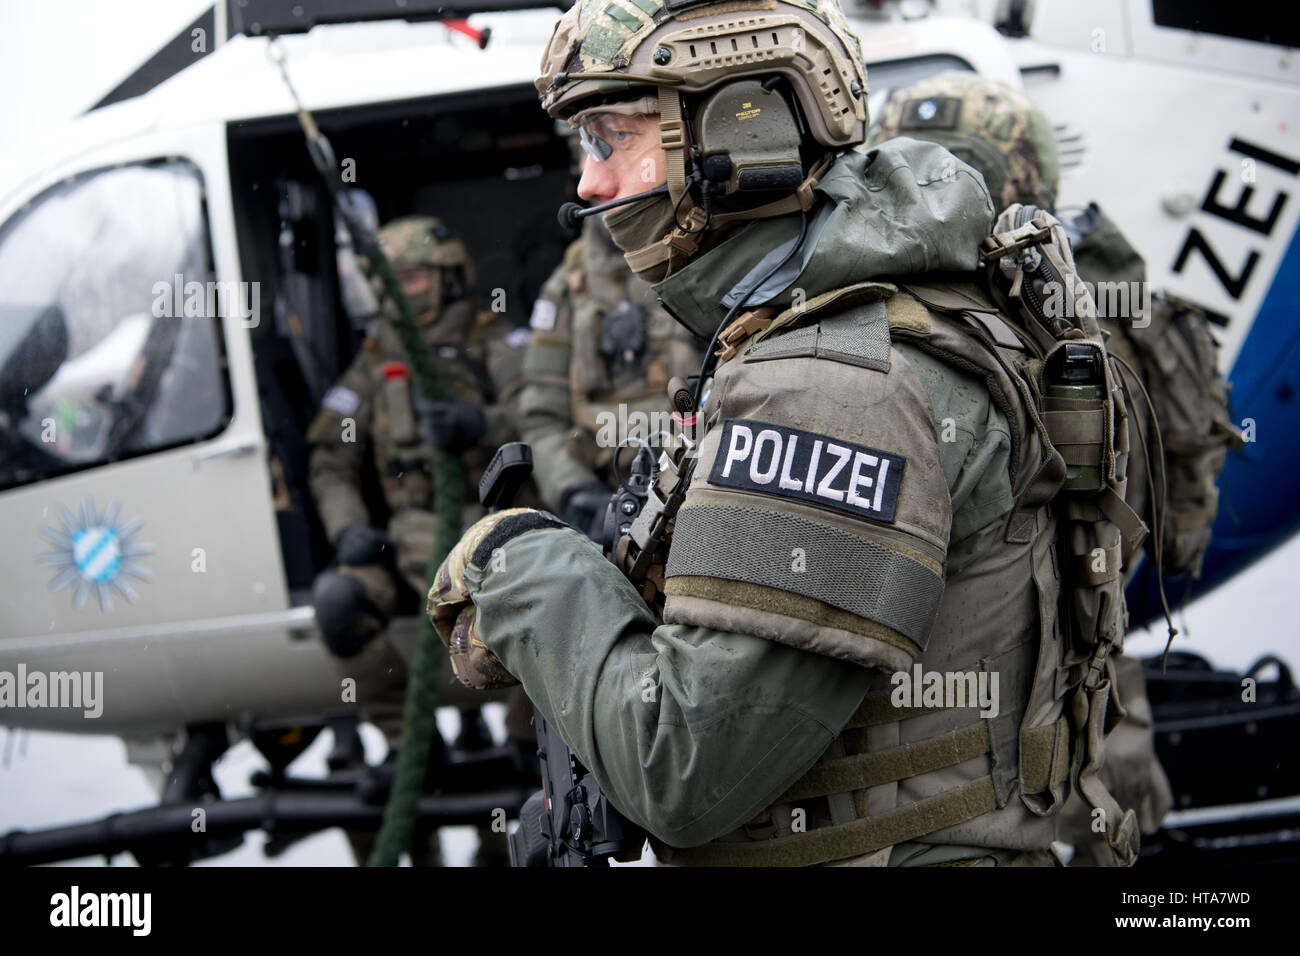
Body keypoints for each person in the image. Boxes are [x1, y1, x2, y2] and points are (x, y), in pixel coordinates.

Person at [428, 0, 1141, 866]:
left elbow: (683, 769)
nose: (589, 183)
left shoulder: (831, 388)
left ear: (741, 128)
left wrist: (519, 567)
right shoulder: (847, 319)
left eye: (611, 135)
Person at [866, 71, 1241, 863]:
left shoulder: (903, 321)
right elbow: (1175, 539)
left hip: (961, 752)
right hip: (1096, 720)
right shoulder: (1130, 308)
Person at [306, 214, 526, 864]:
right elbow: (328, 457)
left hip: (494, 533)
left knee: (538, 599)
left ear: (450, 274)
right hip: (405, 548)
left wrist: (480, 423)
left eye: (418, 274)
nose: (408, 288)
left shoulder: (495, 340)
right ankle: (411, 746)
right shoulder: (375, 362)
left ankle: (524, 742)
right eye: (395, 279)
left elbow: (538, 411)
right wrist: (349, 529)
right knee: (338, 603)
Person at [520, 211, 703, 535]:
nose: (600, 178)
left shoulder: (708, 260)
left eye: (622, 156)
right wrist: (575, 492)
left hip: (700, 488)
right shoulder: (566, 285)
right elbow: (542, 416)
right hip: (607, 497)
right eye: (591, 157)